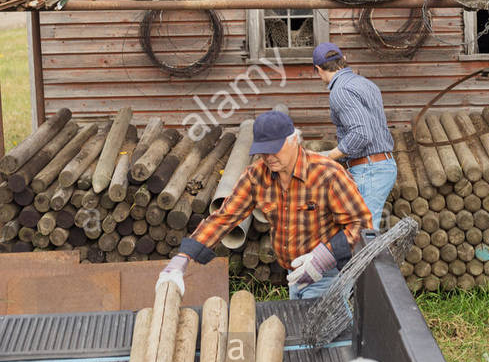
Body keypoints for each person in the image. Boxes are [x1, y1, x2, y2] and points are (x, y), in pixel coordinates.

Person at [159, 109, 371, 301]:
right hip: (293, 274)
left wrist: (324, 256)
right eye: (263, 151)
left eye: (274, 150)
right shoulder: (256, 176)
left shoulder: (327, 174)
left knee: (324, 337)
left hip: (326, 274)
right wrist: (183, 257)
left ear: (294, 140)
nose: (268, 157)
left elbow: (361, 224)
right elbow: (224, 217)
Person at [311, 42, 396, 231]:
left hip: (369, 170)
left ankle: (372, 261)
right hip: (379, 165)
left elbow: (361, 133)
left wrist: (328, 156)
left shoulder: (339, 91)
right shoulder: (366, 83)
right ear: (344, 60)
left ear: (318, 69)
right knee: (362, 233)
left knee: (362, 235)